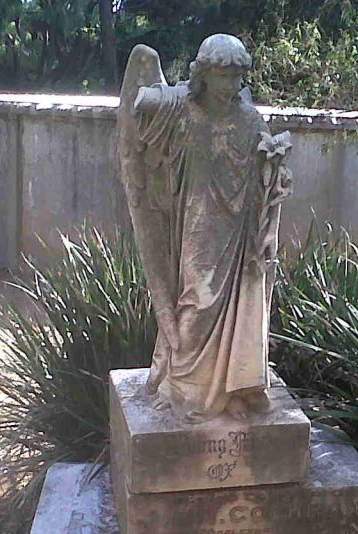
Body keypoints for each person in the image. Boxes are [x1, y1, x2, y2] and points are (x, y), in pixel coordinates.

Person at [122, 34, 292, 423]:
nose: (230, 86)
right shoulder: (183, 110)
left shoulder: (250, 119)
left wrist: (269, 230)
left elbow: (271, 177)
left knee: (245, 307)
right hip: (198, 225)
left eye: (236, 77)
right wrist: (169, 94)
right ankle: (187, 388)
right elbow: (140, 104)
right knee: (197, 302)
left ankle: (238, 388)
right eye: (221, 76)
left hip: (242, 230)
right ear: (203, 75)